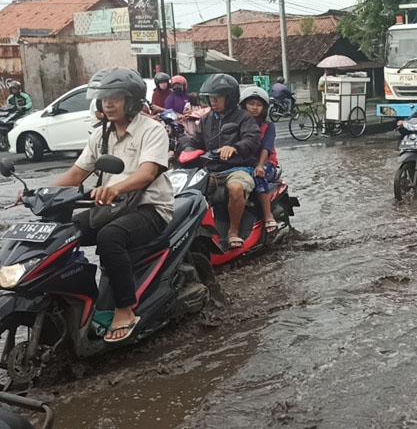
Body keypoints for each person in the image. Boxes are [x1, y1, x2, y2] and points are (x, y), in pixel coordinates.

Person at [51, 68, 174, 343]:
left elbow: (147, 173)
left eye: (116, 98)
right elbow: (75, 174)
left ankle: (124, 309)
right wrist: (41, 192)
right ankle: (77, 299)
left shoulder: (152, 130)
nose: (108, 103)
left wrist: (114, 187)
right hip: (113, 206)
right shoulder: (100, 135)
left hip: (150, 209)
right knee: (65, 232)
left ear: (131, 101)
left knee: (111, 237)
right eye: (104, 98)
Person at [182, 74, 261, 249]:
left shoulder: (244, 118)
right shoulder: (206, 119)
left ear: (230, 98)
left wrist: (235, 148)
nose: (213, 102)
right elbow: (195, 139)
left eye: (217, 98)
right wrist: (183, 147)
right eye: (211, 98)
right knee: (185, 191)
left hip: (237, 168)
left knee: (235, 188)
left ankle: (233, 231)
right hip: (211, 170)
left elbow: (253, 139)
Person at [239, 87, 280, 235]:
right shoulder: (239, 124)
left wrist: (261, 165)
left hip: (267, 163)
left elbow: (266, 147)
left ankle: (268, 216)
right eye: (251, 104)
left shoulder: (268, 126)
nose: (255, 108)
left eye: (259, 105)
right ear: (244, 105)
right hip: (245, 163)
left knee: (258, 175)